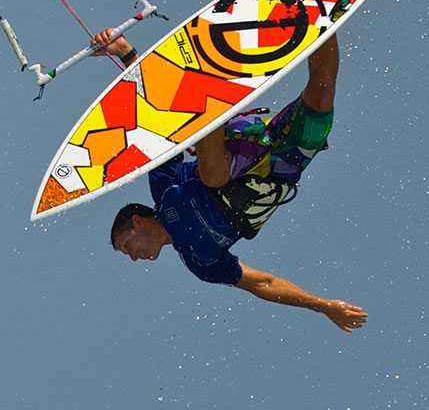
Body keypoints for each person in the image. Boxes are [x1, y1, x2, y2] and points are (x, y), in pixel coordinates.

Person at [90, 28, 367, 333]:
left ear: (138, 221)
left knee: (211, 177)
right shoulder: (201, 263)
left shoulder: (163, 188)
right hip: (283, 166)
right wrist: (323, 305)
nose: (134, 257)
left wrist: (126, 54)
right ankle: (327, 22)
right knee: (322, 93)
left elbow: (159, 114)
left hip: (242, 144)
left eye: (127, 245)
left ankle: (204, 99)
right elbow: (263, 283)